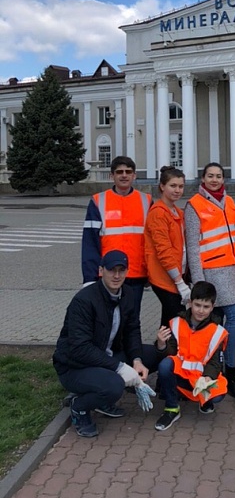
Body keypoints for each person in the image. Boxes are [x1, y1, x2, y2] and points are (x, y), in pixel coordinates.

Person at [53, 250, 159, 438]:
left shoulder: (127, 293)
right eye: (111, 270)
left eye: (121, 270)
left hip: (105, 356)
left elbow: (132, 329)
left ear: (127, 271)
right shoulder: (84, 300)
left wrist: (136, 360)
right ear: (101, 270)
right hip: (74, 366)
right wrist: (119, 368)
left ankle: (101, 397)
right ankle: (79, 407)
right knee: (113, 386)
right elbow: (80, 348)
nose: (117, 276)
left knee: (155, 354)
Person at [185, 163, 235, 399]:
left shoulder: (230, 202)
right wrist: (199, 283)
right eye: (210, 176)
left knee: (226, 319)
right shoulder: (194, 205)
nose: (214, 180)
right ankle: (223, 371)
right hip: (211, 273)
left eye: (218, 176)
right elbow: (192, 247)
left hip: (231, 270)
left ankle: (224, 371)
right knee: (228, 318)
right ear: (202, 178)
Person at [81, 155, 152, 319]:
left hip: (135, 274)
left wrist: (151, 272)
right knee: (106, 320)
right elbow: (90, 243)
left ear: (134, 175)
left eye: (128, 171)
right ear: (112, 176)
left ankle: (131, 346)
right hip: (108, 274)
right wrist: (89, 278)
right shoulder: (99, 201)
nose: (124, 175)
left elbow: (152, 241)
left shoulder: (146, 201)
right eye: (119, 172)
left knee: (132, 320)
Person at [154, 281, 228, 431]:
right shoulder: (176, 323)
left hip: (201, 379)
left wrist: (207, 378)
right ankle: (172, 408)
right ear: (190, 303)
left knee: (218, 395)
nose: (201, 310)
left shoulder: (217, 331)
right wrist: (161, 344)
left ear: (212, 307)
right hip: (180, 375)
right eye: (197, 305)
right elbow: (171, 354)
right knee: (164, 365)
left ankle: (204, 400)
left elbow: (215, 363)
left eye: (206, 307)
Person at [144, 166, 187, 327]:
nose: (177, 190)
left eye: (181, 186)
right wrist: (179, 281)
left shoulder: (176, 211)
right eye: (173, 186)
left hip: (174, 276)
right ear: (162, 186)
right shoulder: (159, 213)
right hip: (164, 277)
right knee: (175, 319)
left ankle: (163, 349)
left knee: (169, 321)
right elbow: (164, 251)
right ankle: (165, 350)